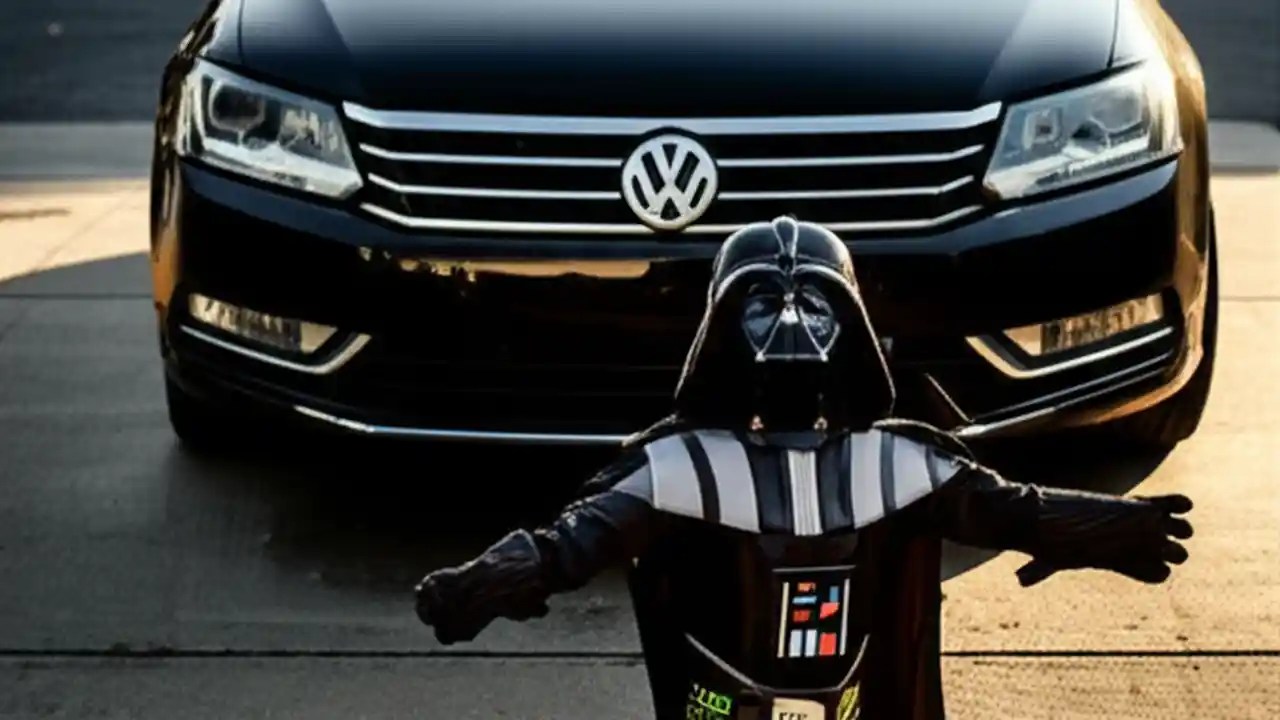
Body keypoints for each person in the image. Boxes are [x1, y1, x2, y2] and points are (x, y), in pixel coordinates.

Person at [413, 217, 1193, 720]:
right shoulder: (686, 469)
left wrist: (1104, 529)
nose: (790, 327)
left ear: (848, 327)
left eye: (812, 307)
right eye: (763, 306)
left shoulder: (892, 465)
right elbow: (567, 545)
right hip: (720, 706)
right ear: (723, 331)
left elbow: (1012, 512)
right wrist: (486, 582)